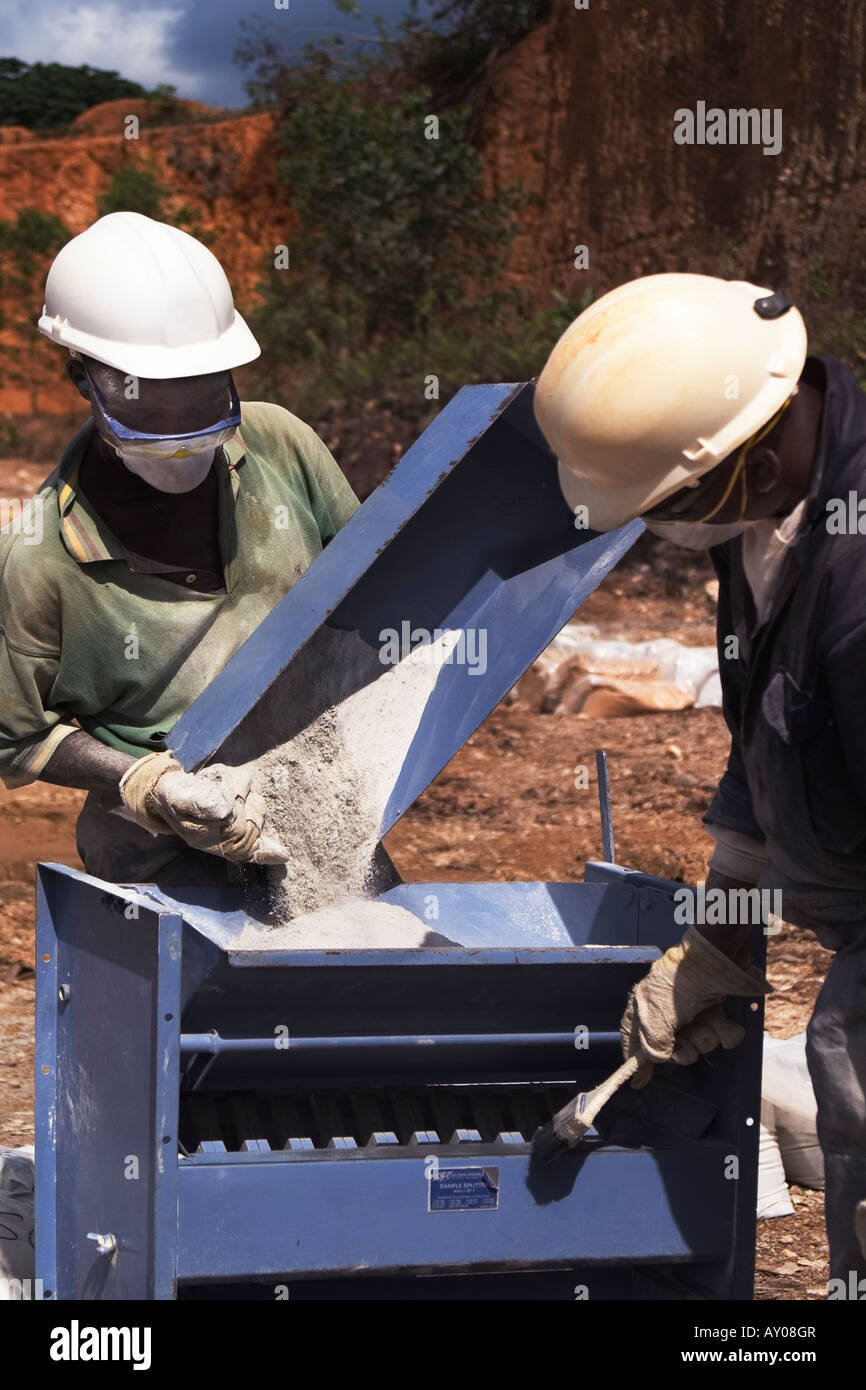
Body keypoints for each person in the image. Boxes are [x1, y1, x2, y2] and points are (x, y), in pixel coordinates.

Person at [534, 272, 866, 1285]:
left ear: (751, 458)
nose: (663, 528)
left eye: (668, 503)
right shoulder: (765, 510)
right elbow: (770, 736)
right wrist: (719, 942)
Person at [0, 211, 360, 888]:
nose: (181, 438)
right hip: (154, 847)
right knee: (192, 987)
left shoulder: (282, 445)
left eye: (200, 400)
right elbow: (16, 734)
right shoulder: (38, 557)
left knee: (364, 977)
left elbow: (370, 583)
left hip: (319, 808)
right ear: (82, 376)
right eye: (146, 406)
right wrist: (145, 783)